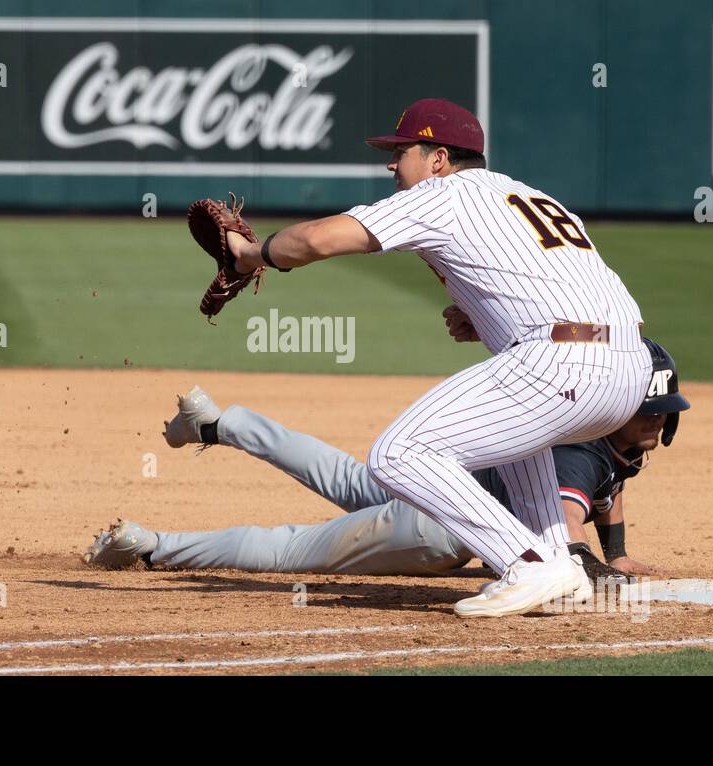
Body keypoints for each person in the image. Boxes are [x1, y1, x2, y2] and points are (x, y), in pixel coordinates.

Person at [218, 98, 652, 616]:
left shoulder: (441, 195)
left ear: (438, 158)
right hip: (630, 367)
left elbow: (316, 239)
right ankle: (563, 564)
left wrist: (250, 255)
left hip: (564, 363)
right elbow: (549, 280)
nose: (391, 164)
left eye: (402, 151)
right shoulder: (526, 193)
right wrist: (485, 315)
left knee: (398, 454)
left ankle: (528, 562)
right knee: (510, 443)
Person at [86, 339, 690, 586]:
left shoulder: (604, 429)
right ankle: (149, 546)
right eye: (649, 411)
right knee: (293, 550)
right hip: (435, 532)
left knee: (347, 476)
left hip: (435, 480)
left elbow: (611, 489)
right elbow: (568, 520)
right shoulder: (586, 448)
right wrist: (595, 571)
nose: (656, 422)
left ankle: (217, 422)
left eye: (662, 411)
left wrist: (619, 552)